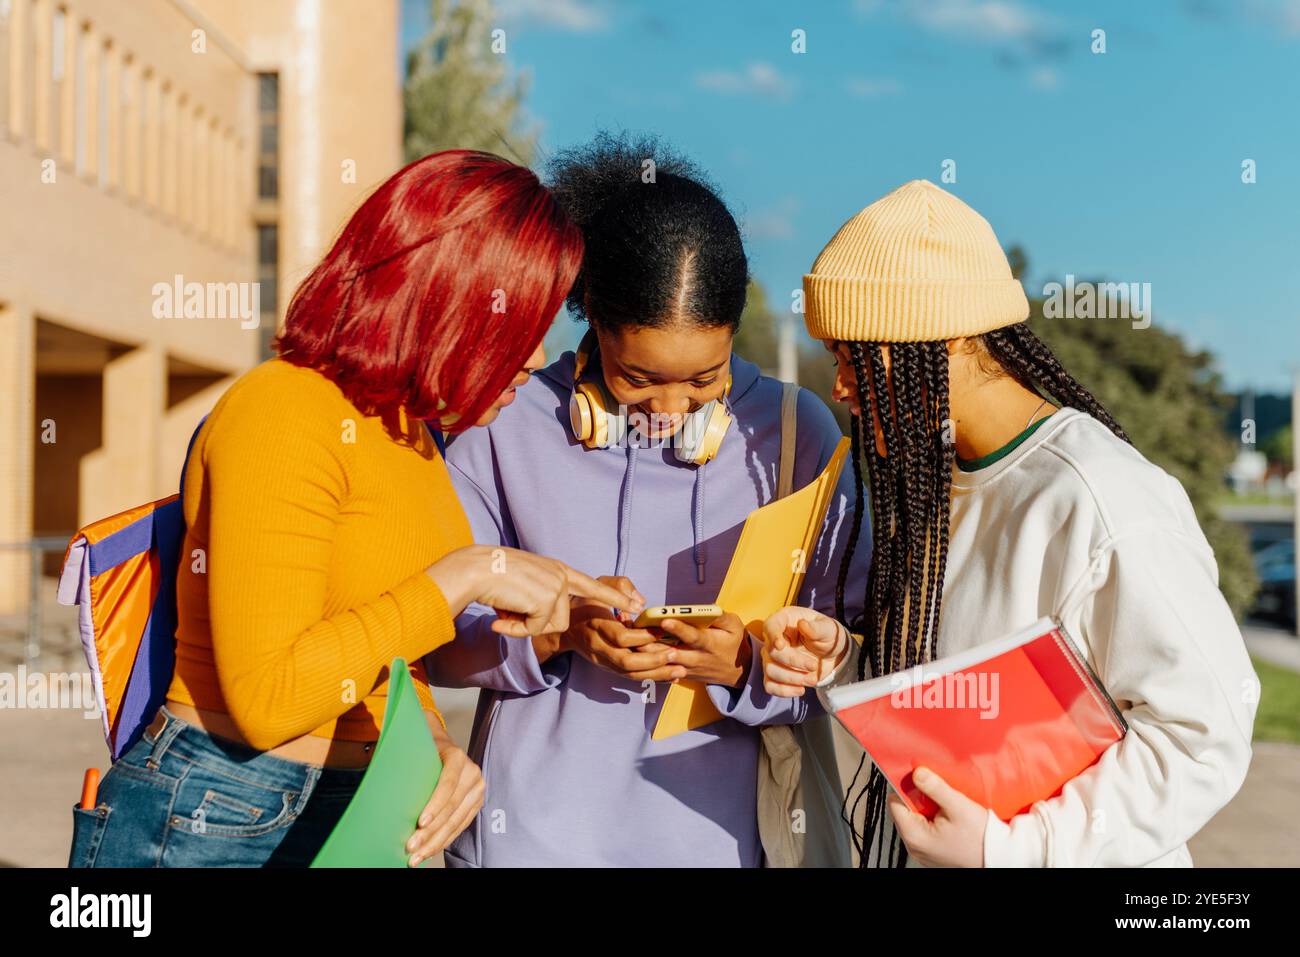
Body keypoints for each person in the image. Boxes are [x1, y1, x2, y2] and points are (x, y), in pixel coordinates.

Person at [68, 150, 635, 869]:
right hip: (212, 813)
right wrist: (463, 576)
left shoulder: (413, 437)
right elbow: (267, 699)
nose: (537, 358)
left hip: (351, 808)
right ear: (447, 300)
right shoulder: (284, 409)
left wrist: (429, 739)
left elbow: (382, 650)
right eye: (521, 323)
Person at [760, 178, 1257, 867]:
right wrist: (845, 661)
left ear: (952, 337)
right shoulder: (928, 487)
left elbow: (1203, 736)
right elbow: (954, 707)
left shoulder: (1101, 497)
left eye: (853, 353)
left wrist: (1015, 849)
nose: (839, 385)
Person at [426, 134, 868, 867]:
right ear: (592, 314)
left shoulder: (797, 436)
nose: (670, 405)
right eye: (638, 377)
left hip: (724, 846)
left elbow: (848, 663)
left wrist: (744, 668)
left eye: (704, 379)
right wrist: (556, 636)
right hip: (525, 841)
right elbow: (432, 643)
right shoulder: (502, 425)